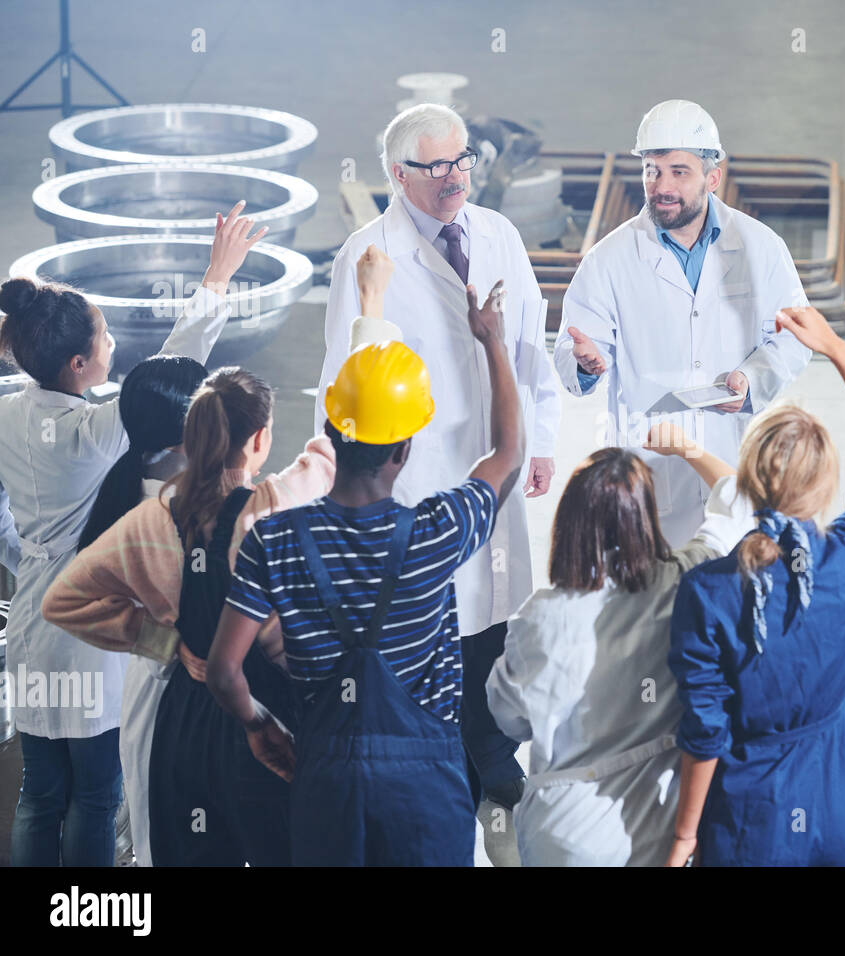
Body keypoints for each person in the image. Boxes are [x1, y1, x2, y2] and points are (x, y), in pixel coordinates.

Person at [209, 269, 526, 866]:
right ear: (404, 451)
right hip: (424, 787)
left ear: (330, 429)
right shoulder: (439, 531)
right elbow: (508, 453)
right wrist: (492, 343)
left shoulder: (272, 542)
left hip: (325, 780)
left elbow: (225, 672)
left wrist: (262, 730)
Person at [316, 104, 562, 819]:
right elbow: (347, 377)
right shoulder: (369, 258)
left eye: (463, 162)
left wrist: (539, 437)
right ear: (398, 175)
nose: (456, 178)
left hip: (495, 462)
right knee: (436, 627)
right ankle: (461, 766)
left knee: (494, 622)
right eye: (437, 167)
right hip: (418, 478)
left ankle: (488, 755)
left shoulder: (498, 235)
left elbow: (528, 345)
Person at [0, 202, 264, 867]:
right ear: (80, 366)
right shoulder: (96, 434)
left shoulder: (7, 415)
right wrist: (216, 276)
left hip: (31, 628)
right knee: (95, 794)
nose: (115, 348)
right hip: (89, 637)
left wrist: (22, 554)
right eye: (107, 341)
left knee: (37, 792)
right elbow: (170, 375)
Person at [666, 304, 845, 867]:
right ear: (827, 483)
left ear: (748, 479)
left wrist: (684, 838)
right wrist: (839, 351)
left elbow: (706, 730)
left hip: (753, 821)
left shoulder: (709, 590)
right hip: (841, 807)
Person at [486, 423, 754, 866]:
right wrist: (685, 448)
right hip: (652, 823)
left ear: (569, 522)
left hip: (562, 833)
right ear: (645, 519)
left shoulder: (540, 616)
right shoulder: (684, 579)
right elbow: (743, 499)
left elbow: (509, 719)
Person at [554, 99, 812, 549]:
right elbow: (574, 345)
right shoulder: (609, 260)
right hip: (650, 475)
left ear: (713, 177)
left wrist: (750, 380)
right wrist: (585, 365)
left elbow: (794, 338)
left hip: (733, 462)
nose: (661, 186)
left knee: (735, 596)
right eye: (651, 171)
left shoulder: (760, 247)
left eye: (679, 171)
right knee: (652, 605)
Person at [55, 354, 209, 866]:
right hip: (189, 696)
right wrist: (169, 642)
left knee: (152, 834)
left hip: (145, 693)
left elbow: (71, 602)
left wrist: (154, 642)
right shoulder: (173, 513)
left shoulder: (124, 485)